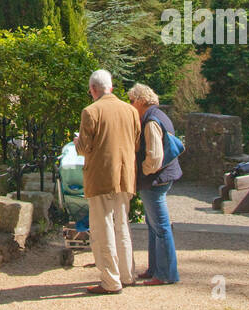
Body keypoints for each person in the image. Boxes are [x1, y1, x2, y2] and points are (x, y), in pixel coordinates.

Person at [74, 69, 141, 294]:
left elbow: (84, 147)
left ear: (93, 89)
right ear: (110, 87)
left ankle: (111, 280)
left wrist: (76, 142)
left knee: (102, 228)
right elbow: (136, 140)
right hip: (125, 175)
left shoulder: (91, 111)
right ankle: (127, 273)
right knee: (122, 225)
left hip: (101, 177)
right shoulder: (130, 111)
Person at [128, 83, 181, 285]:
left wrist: (142, 172)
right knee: (154, 226)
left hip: (155, 180)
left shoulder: (151, 121)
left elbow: (155, 158)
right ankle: (155, 269)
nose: (131, 105)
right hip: (162, 178)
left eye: (132, 101)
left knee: (160, 227)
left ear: (141, 101)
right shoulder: (159, 116)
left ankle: (166, 274)